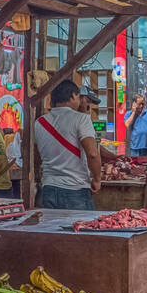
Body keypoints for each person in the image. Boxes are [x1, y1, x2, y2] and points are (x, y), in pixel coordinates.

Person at [34, 78, 102, 210]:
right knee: (81, 228)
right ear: (73, 96)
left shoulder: (39, 122)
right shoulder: (81, 119)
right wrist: (97, 179)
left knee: (53, 230)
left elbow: (36, 156)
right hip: (75, 190)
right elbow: (93, 154)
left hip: (48, 188)